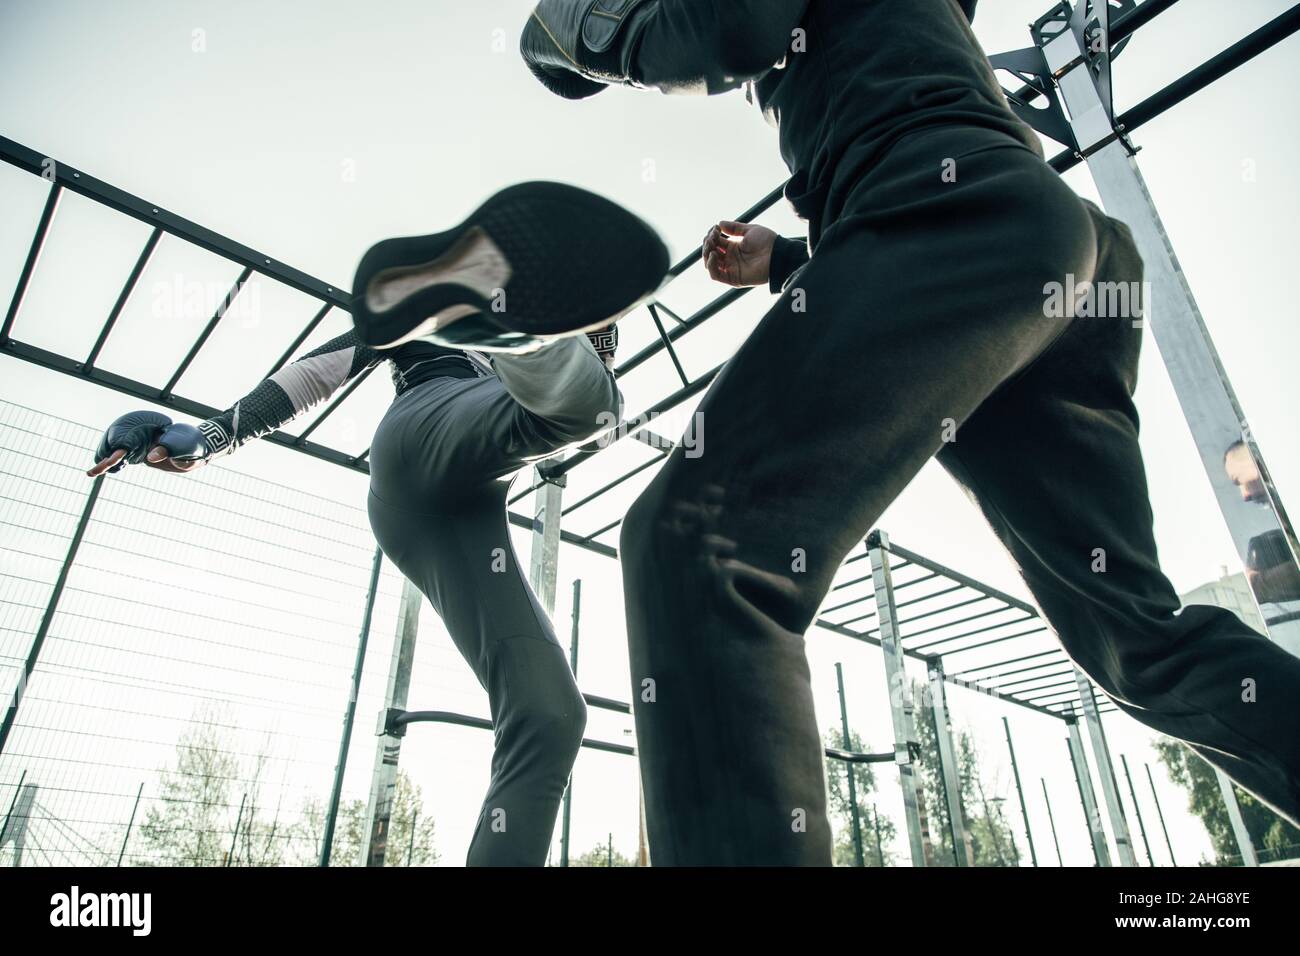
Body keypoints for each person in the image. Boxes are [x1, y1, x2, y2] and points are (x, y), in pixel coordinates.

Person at [520, 0, 1300, 864]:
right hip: (1043, 243)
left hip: (950, 207)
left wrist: (590, 35)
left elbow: (733, 31)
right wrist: (787, 261)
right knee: (1141, 644)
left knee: (696, 547)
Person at [88, 183, 669, 866]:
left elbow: (588, 416)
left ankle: (516, 333)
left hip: (451, 511)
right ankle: (494, 319)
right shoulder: (420, 322)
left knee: (550, 714)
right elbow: (323, 369)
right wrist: (214, 437)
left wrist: (596, 337)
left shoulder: (577, 348)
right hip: (429, 422)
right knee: (577, 405)